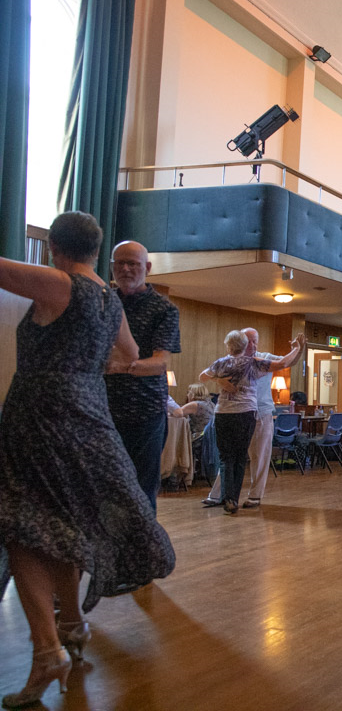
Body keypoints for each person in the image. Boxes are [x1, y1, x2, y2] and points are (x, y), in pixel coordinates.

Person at [0, 212, 176, 707]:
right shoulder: (108, 299)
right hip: (89, 413)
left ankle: (47, 650)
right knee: (62, 523)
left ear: (55, 246)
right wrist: (82, 370)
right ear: (99, 251)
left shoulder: (60, 284)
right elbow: (131, 351)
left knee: (20, 529)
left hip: (40, 416)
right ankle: (73, 624)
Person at [104, 240, 181, 513]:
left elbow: (160, 364)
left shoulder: (164, 309)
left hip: (145, 414)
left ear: (147, 268)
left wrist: (120, 366)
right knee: (103, 491)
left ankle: (142, 553)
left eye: (133, 264)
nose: (125, 269)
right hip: (102, 413)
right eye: (119, 263)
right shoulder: (102, 301)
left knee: (141, 494)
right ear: (111, 266)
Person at [200, 330, 305, 514]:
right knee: (232, 457)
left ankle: (253, 496)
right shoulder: (237, 362)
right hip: (240, 413)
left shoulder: (261, 359)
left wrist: (299, 349)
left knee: (255, 456)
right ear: (241, 343)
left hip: (260, 411)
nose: (252, 345)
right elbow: (206, 375)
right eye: (249, 341)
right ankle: (220, 495)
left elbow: (287, 363)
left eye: (255, 341)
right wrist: (219, 381)